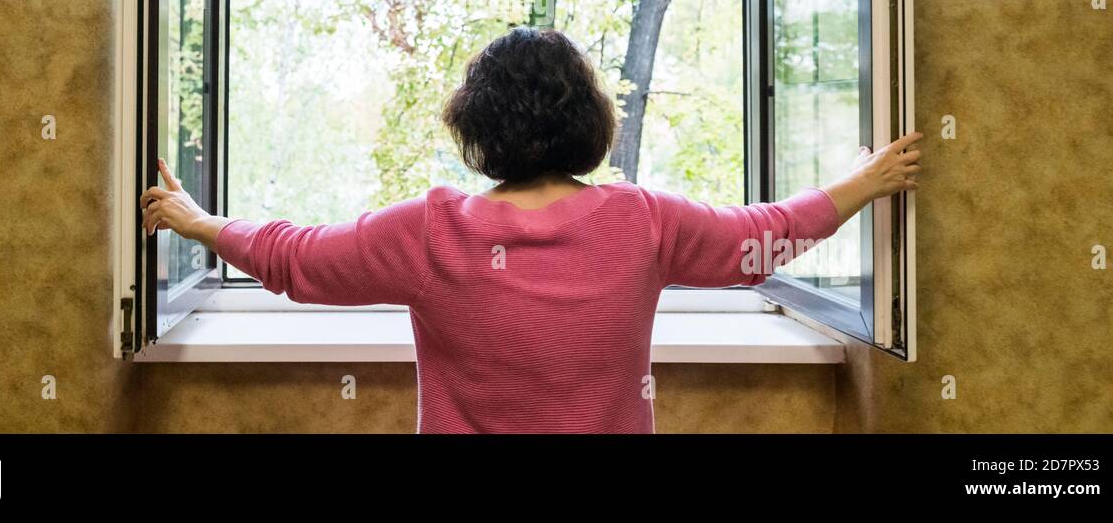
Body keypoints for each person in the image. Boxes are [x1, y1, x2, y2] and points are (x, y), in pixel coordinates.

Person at [140, 26, 921, 433]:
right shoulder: (641, 221)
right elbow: (768, 238)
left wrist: (198, 222)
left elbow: (294, 261)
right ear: (590, 119)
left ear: (478, 126)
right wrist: (865, 181)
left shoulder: (427, 232)